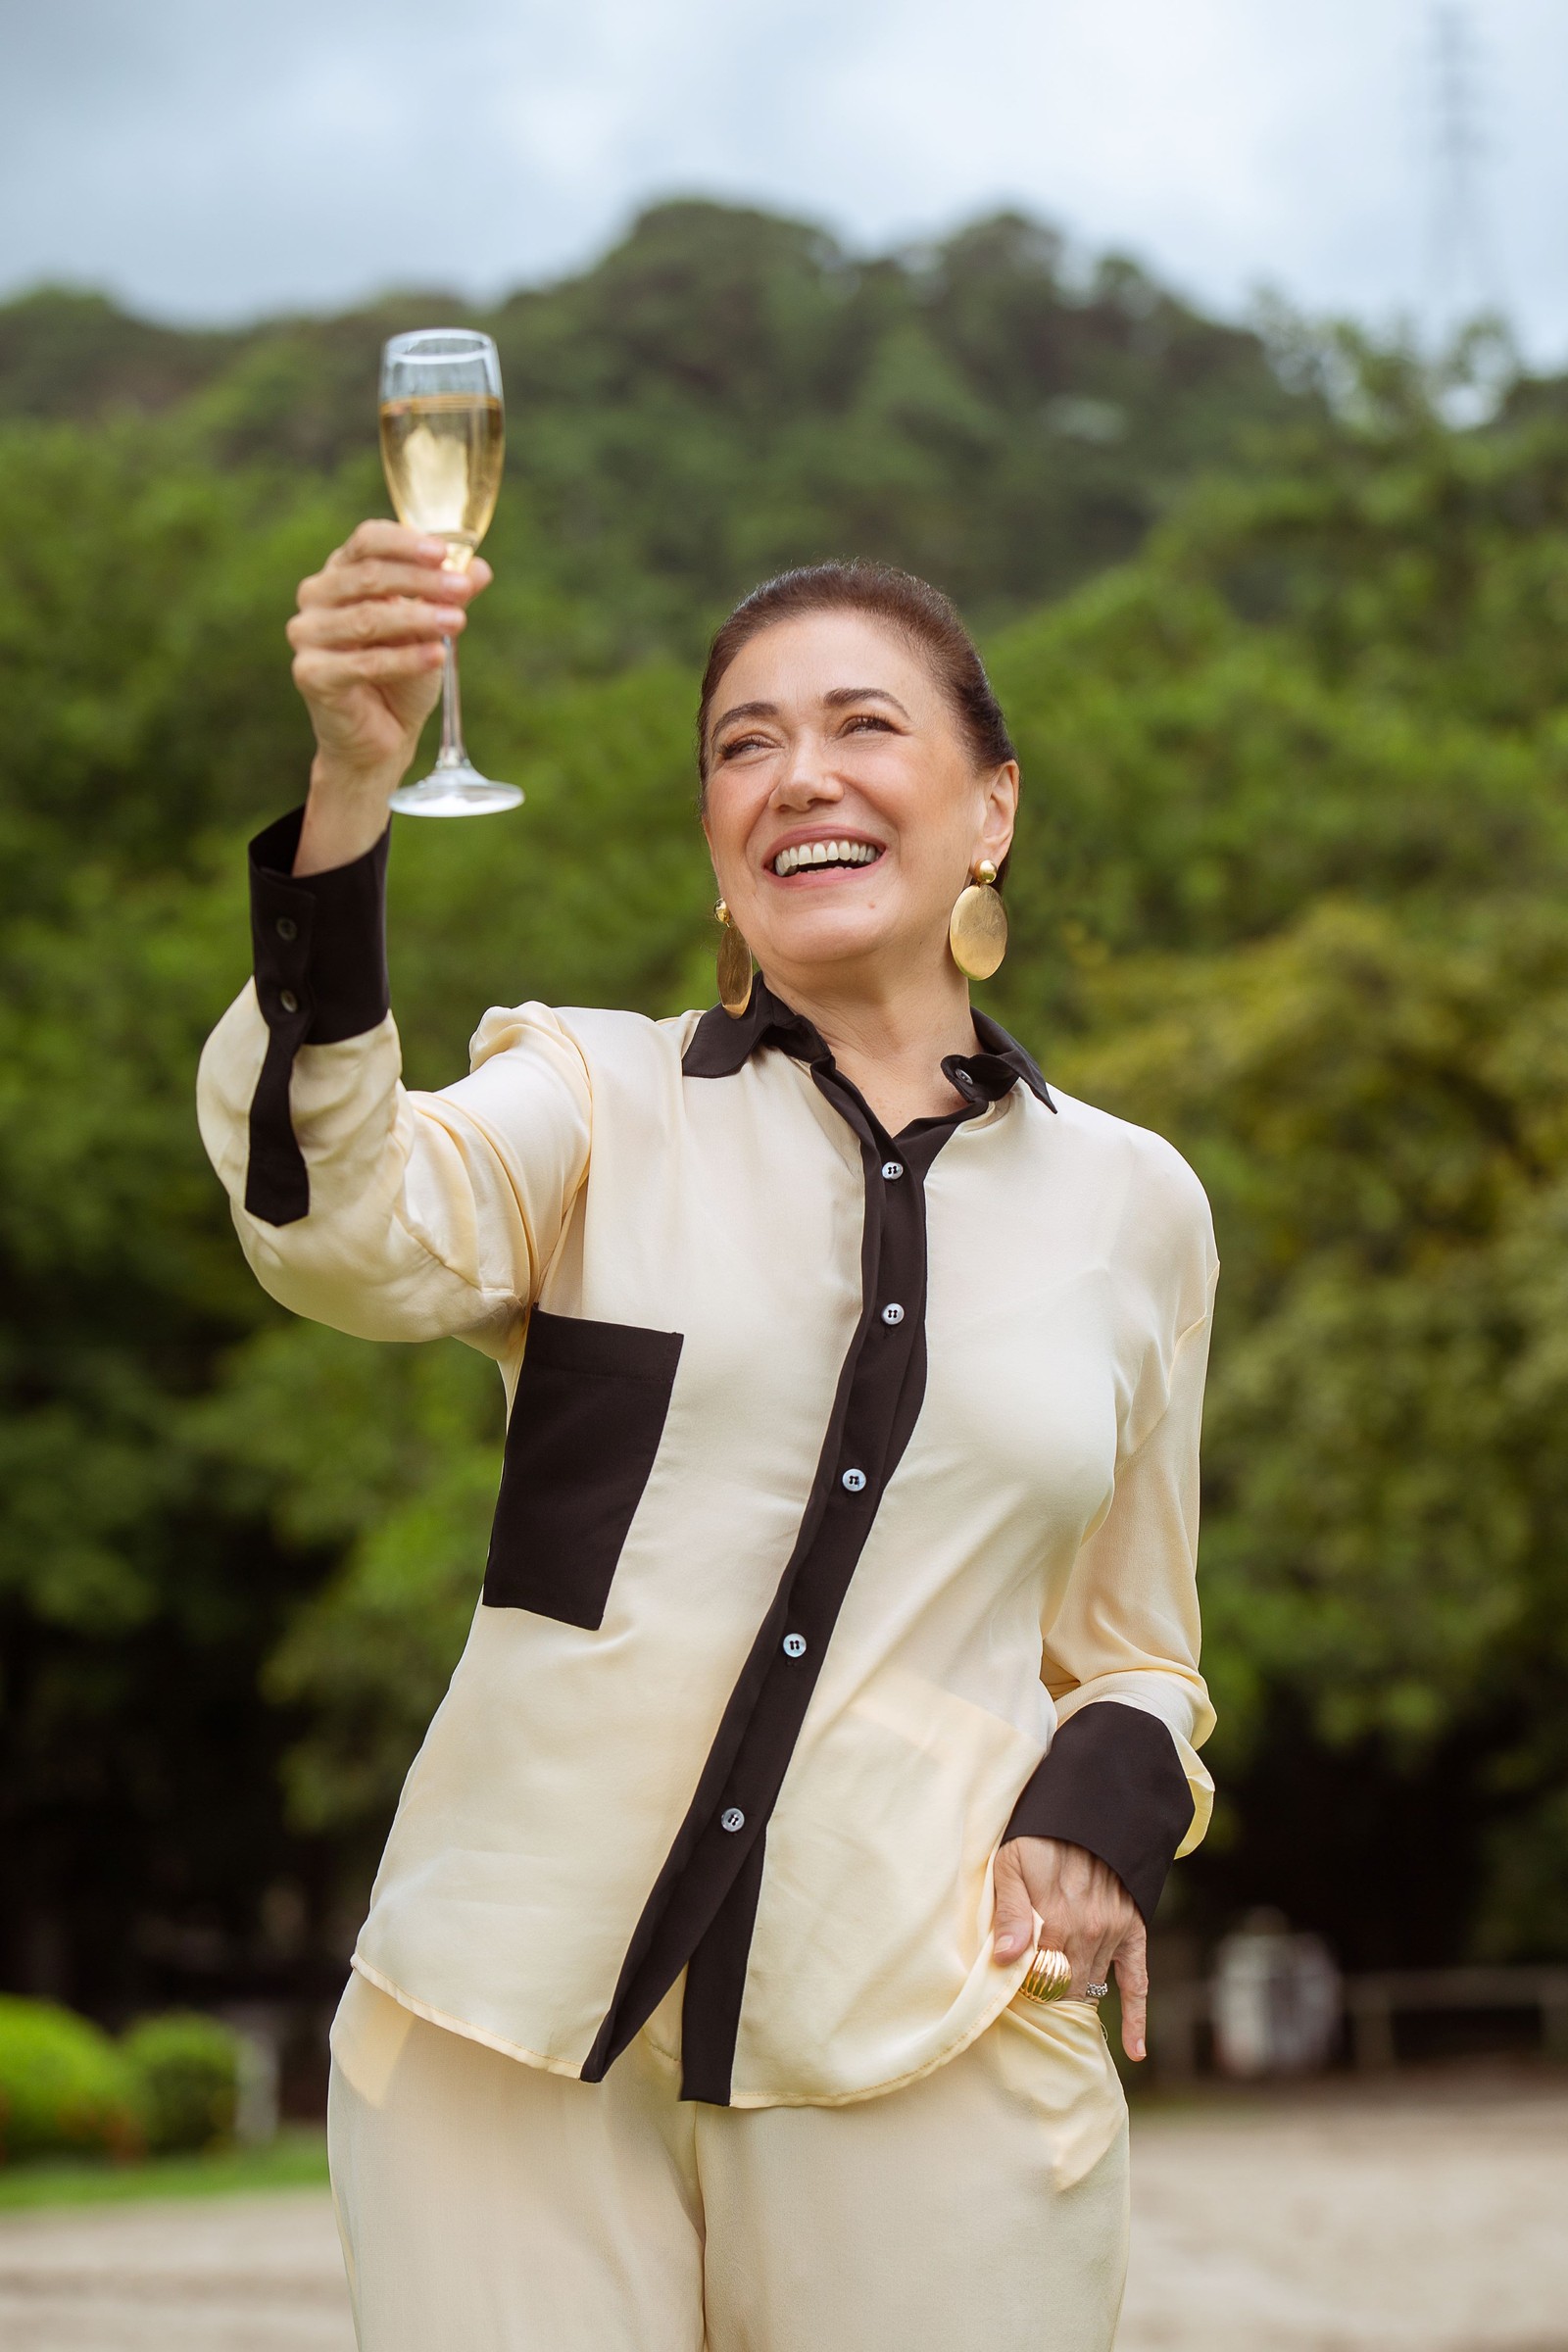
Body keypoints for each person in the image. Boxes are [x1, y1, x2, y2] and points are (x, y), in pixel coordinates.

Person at [197, 522, 1217, 2352]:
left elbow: (1137, 1643)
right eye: (744, 744)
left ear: (991, 808)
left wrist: (1104, 1814)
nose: (798, 774)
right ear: (716, 849)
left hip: (931, 2017)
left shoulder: (1135, 1206)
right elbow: (342, 1229)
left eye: (859, 727)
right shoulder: (588, 1099)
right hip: (502, 2033)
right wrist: (355, 780)